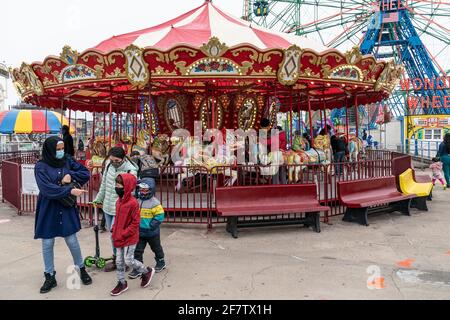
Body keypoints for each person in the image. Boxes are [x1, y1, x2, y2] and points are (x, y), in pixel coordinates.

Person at [34, 136, 92, 294]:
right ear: (50, 149)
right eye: (57, 149)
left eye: (62, 148)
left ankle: (81, 269)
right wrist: (68, 189)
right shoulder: (41, 166)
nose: (61, 152)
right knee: (47, 243)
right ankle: (49, 275)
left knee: (72, 240)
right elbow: (47, 189)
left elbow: (85, 173)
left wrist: (71, 176)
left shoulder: (67, 160)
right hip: (49, 207)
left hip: (65, 206)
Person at [93, 147, 138, 272]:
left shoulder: (130, 170)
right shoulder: (109, 166)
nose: (114, 163)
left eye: (116, 160)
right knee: (112, 236)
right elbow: (104, 185)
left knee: (117, 235)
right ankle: (116, 258)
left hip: (121, 208)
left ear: (123, 158)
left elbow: (131, 191)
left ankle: (123, 260)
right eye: (111, 160)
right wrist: (99, 198)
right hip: (107, 206)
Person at [110, 173, 155, 296]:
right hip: (118, 236)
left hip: (129, 237)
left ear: (127, 186)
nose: (117, 187)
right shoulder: (118, 202)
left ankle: (146, 271)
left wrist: (124, 233)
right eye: (116, 184)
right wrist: (114, 228)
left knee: (128, 260)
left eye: (119, 184)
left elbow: (135, 223)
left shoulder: (133, 203)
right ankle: (121, 283)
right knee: (119, 261)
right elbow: (117, 218)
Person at [129, 178, 166, 279]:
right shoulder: (137, 201)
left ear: (151, 190)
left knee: (156, 248)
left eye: (146, 190)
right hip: (139, 232)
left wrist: (151, 226)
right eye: (141, 190)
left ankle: (161, 261)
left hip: (152, 232)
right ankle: (138, 268)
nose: (143, 192)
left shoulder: (155, 203)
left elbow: (160, 216)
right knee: (137, 250)